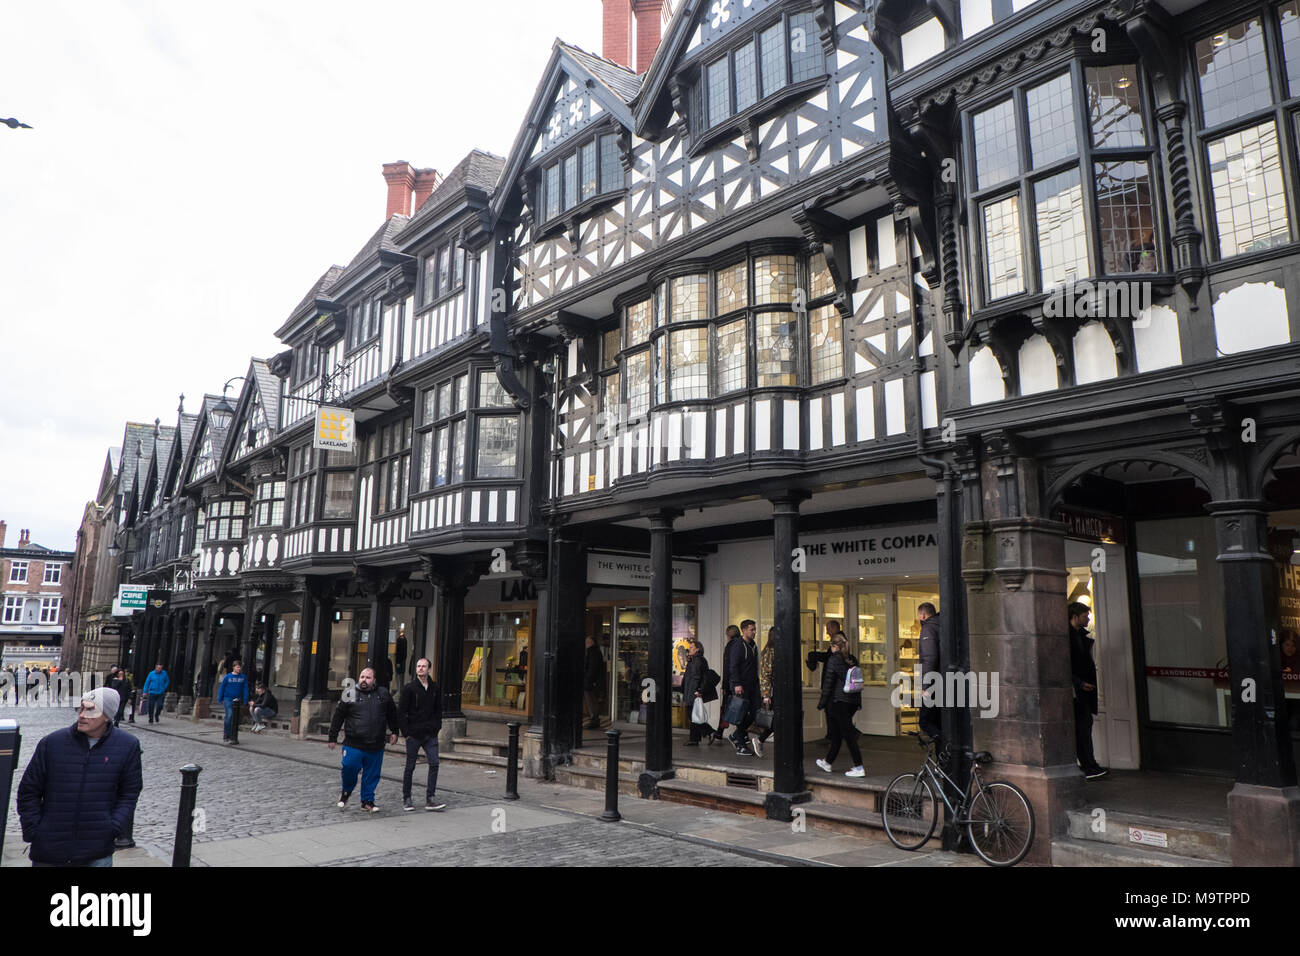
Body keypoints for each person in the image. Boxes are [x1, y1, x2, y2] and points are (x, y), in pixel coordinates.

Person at [17, 687, 142, 867]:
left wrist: (112, 828)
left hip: (96, 851)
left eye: (90, 709)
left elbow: (129, 794)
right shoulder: (52, 743)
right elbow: (29, 790)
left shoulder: (127, 746)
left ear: (107, 716)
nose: (82, 715)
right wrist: (34, 830)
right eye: (81, 708)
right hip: (50, 849)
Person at [328, 666, 399, 812]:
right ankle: (346, 791)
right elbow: (338, 716)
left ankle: (367, 801)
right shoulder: (349, 693)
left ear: (374, 680)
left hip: (376, 743)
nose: (364, 680)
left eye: (367, 677)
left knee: (372, 774)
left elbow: (392, 713)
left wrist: (394, 731)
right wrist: (332, 737)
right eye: (362, 677)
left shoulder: (383, 694)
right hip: (354, 742)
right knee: (349, 767)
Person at [398, 657, 446, 812]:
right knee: (410, 766)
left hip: (430, 733)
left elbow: (438, 710)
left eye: (423, 666)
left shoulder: (435, 688)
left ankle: (430, 798)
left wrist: (436, 727)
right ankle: (407, 797)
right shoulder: (409, 688)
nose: (420, 669)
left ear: (429, 669)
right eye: (418, 666)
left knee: (434, 763)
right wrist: (406, 733)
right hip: (413, 734)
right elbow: (402, 712)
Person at [816, 633, 864, 777]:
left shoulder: (834, 660)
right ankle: (828, 762)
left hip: (839, 701)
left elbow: (828, 683)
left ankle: (859, 766)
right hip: (852, 701)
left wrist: (822, 702)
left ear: (834, 646)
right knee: (837, 733)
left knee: (848, 735)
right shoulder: (852, 659)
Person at [1069, 602, 1107, 779]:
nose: (1088, 618)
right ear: (1075, 617)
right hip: (1077, 692)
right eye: (1085, 615)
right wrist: (1079, 683)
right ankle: (1087, 765)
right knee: (1082, 727)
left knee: (1085, 726)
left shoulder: (1079, 636)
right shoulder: (1069, 637)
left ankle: (1089, 763)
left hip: (1083, 689)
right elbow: (1065, 665)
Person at [727, 619, 760, 756]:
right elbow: (733, 666)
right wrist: (736, 684)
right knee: (740, 714)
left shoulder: (753, 645)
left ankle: (735, 735)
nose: (754, 632)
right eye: (752, 629)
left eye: (754, 629)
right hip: (741, 685)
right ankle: (740, 745)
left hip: (753, 685)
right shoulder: (738, 645)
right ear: (744, 630)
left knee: (756, 712)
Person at [682, 638, 718, 745]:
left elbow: (696, 677)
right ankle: (694, 739)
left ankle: (710, 731)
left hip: (693, 691)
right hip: (692, 690)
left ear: (697, 649)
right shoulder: (695, 659)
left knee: (692, 715)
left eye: (692, 647)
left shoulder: (697, 660)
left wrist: (696, 691)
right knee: (694, 715)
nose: (689, 649)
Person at [750, 627, 779, 758]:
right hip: (774, 691)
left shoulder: (776, 651)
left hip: (778, 690)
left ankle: (760, 740)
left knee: (779, 720)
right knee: (777, 720)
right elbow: (765, 674)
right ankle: (760, 739)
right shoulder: (769, 652)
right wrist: (766, 695)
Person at [916, 602, 942, 743]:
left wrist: (926, 686)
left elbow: (929, 658)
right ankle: (942, 757)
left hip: (934, 682)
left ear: (923, 615)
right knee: (938, 720)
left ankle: (945, 744)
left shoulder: (928, 629)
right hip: (945, 680)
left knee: (925, 721)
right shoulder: (941, 625)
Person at [712, 624, 742, 743]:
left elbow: (727, 667)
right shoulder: (742, 644)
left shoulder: (730, 646)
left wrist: (725, 685)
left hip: (731, 683)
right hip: (740, 682)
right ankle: (723, 732)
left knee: (726, 707)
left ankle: (722, 731)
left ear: (729, 635)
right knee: (739, 707)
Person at [217, 660, 249, 743]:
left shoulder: (243, 677)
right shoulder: (227, 677)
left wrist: (245, 699)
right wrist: (220, 698)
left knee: (235, 718)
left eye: (240, 667)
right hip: (228, 699)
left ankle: (232, 735)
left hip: (237, 700)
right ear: (234, 667)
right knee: (229, 715)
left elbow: (245, 689)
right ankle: (226, 733)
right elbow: (222, 688)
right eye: (238, 667)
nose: (239, 669)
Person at [583, 636, 606, 729]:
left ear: (592, 642)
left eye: (588, 642)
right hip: (592, 681)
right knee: (591, 701)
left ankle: (594, 720)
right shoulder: (594, 652)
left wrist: (588, 679)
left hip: (591, 682)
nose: (586, 644)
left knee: (591, 701)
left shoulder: (593, 653)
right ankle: (594, 719)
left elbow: (592, 668)